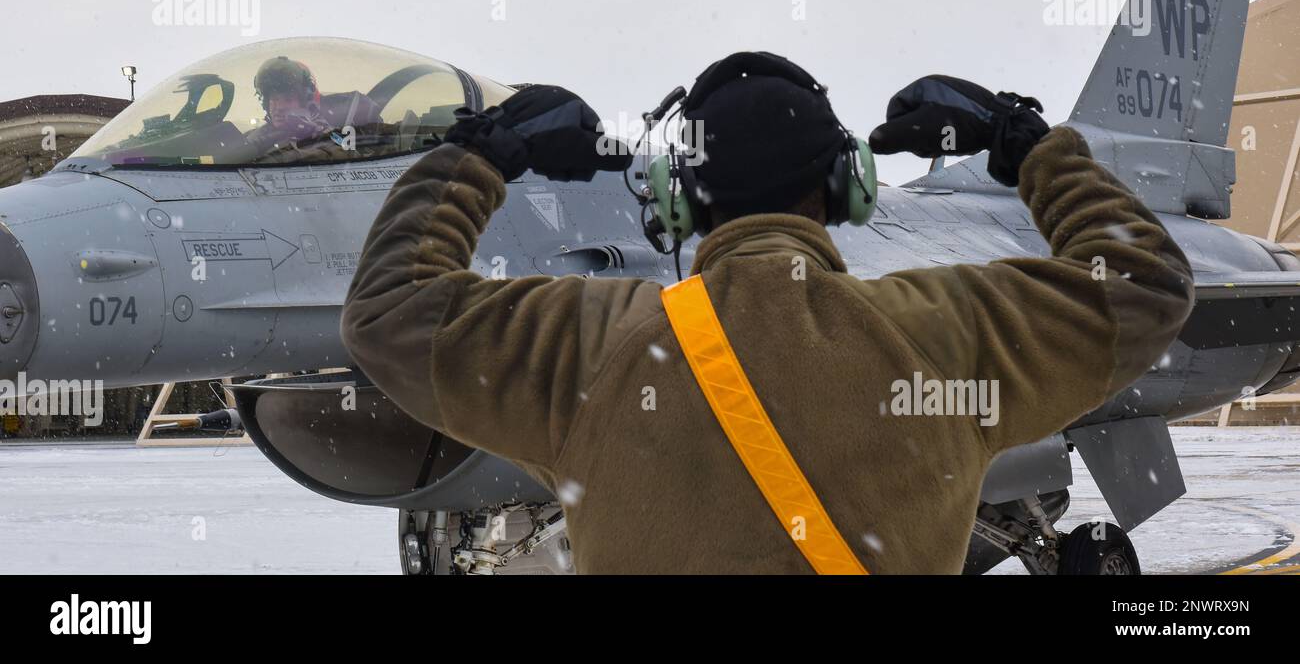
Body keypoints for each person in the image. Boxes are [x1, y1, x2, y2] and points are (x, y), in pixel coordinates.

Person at [340, 52, 1193, 573]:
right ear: (844, 188)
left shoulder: (587, 349)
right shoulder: (943, 334)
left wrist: (479, 153)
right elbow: (1146, 286)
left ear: (676, 203)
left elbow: (388, 313)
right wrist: (1027, 142)